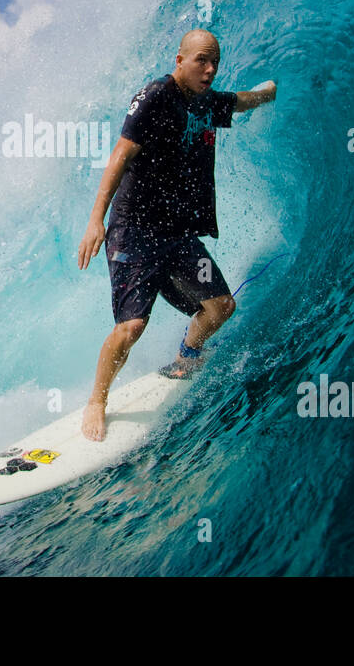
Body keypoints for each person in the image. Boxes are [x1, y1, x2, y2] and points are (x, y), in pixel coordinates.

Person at [76, 29, 276, 442]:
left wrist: (267, 93)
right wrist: (96, 220)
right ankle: (97, 399)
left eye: (216, 62)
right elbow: (119, 157)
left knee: (220, 307)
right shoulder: (154, 98)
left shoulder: (209, 102)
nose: (210, 69)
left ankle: (186, 357)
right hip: (133, 230)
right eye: (202, 60)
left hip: (177, 235)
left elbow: (240, 102)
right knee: (131, 328)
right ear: (179, 59)